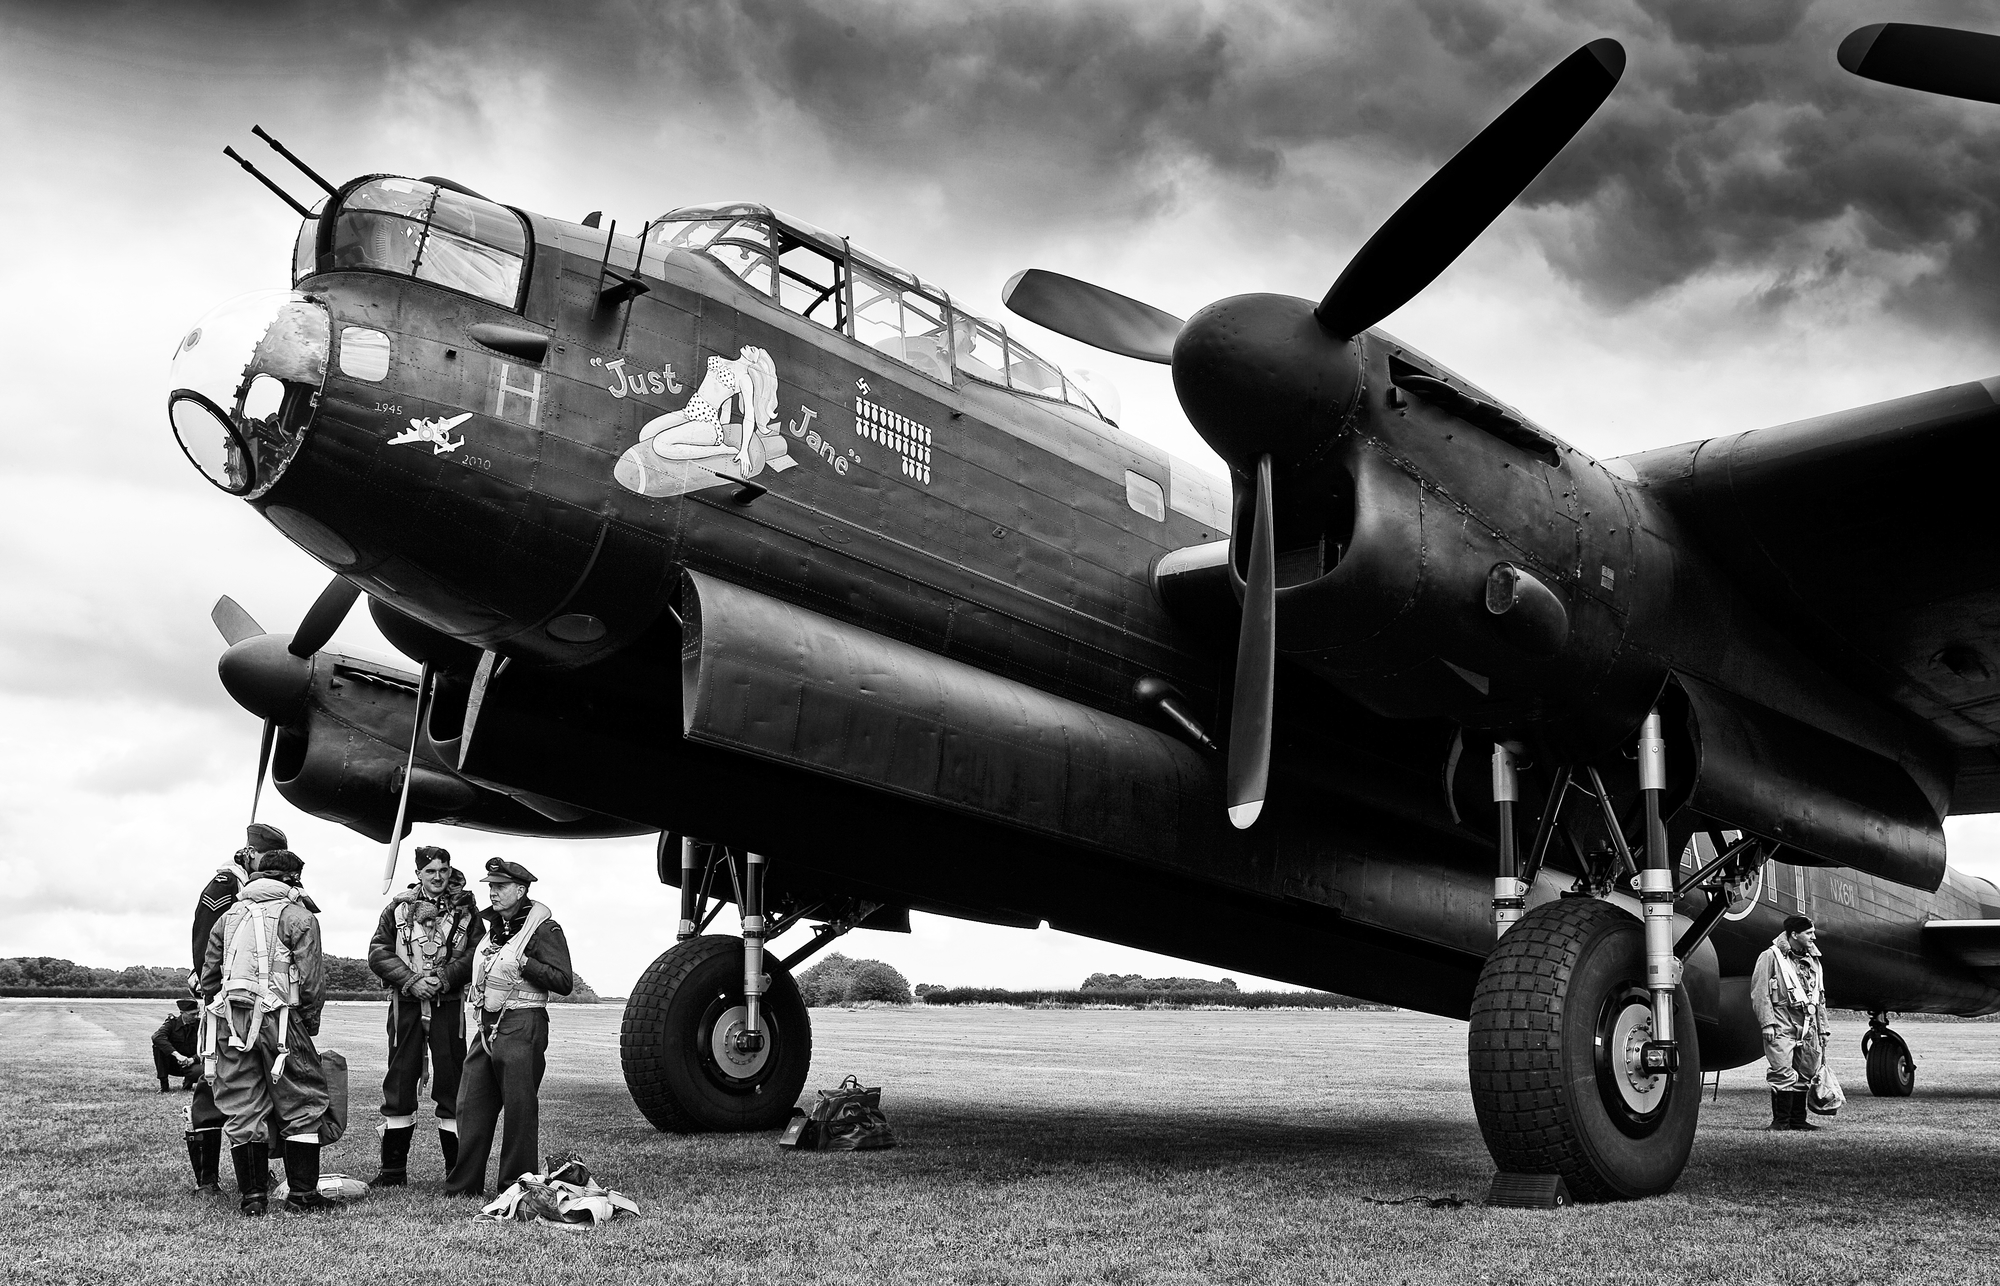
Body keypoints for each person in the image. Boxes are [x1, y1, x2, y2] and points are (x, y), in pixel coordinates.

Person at [199, 848, 338, 1215]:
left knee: (242, 1104)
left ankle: (253, 1199)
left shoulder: (228, 917)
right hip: (280, 1019)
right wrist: (309, 1022)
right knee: (303, 1100)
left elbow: (210, 976)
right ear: (293, 879)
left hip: (230, 1020)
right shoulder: (299, 916)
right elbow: (310, 980)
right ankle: (303, 1196)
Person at [445, 858, 574, 1197]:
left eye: (500, 887)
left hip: (523, 1022)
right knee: (470, 1103)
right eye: (491, 886)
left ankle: (515, 1186)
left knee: (519, 1108)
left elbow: (563, 981)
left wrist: (526, 963)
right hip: (487, 1025)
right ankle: (463, 1185)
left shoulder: (544, 929)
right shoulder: (496, 927)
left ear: (520, 890)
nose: (493, 892)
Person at [182, 821, 289, 1197]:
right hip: (223, 1001)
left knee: (256, 1082)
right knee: (211, 1081)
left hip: (257, 1001)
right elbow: (207, 939)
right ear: (249, 853)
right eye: (265, 857)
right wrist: (211, 995)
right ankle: (208, 1179)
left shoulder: (259, 887)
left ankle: (257, 1170)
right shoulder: (226, 885)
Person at [365, 846, 483, 1186]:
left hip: (448, 1006)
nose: (437, 877)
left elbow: (476, 951)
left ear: (450, 872)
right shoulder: (396, 909)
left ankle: (457, 1173)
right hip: (406, 1004)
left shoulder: (467, 912)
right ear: (418, 874)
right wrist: (411, 981)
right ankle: (392, 1172)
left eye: (443, 870)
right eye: (430, 871)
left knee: (452, 1082)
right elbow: (378, 952)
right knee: (400, 1081)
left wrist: (444, 979)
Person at [1752, 913, 1828, 1131]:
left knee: (1806, 1071)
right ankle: (1781, 1121)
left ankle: (1797, 1119)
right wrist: (1767, 1023)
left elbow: (1819, 996)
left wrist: (1823, 1030)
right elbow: (1760, 992)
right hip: (1781, 1021)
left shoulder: (1814, 961)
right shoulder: (1770, 957)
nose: (1814, 937)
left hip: (1809, 1024)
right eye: (1809, 933)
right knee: (1782, 1070)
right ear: (1794, 934)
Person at [152, 999, 200, 1092]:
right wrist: (177, 1055)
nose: (196, 1016)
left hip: (191, 1063)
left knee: (200, 1070)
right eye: (192, 1014)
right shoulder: (172, 1024)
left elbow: (205, 1047)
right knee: (158, 1047)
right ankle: (164, 1085)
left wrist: (193, 1059)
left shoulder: (200, 1025)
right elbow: (157, 1037)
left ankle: (188, 1083)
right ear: (182, 1013)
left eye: (197, 1013)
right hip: (173, 1063)